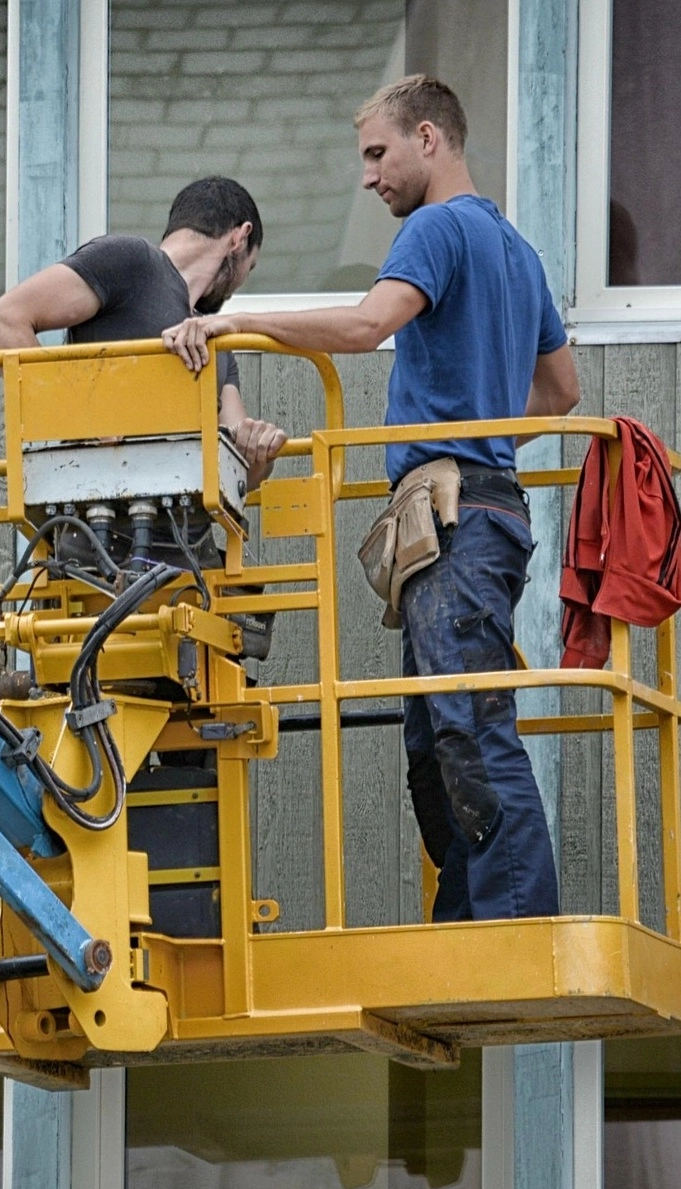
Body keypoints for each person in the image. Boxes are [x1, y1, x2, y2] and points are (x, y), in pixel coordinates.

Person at [163, 75, 581, 922]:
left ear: (429, 138)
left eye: (377, 152)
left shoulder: (436, 228)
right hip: (484, 508)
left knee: (461, 725)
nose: (368, 176)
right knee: (437, 736)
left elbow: (364, 327)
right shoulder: (515, 248)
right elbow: (562, 393)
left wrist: (234, 326)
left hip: (455, 517)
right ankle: (470, 920)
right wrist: (482, 441)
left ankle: (510, 923)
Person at [0, 176, 287, 492]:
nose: (236, 288)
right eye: (251, 266)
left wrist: (260, 454)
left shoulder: (219, 343)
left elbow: (240, 468)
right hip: (98, 528)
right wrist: (85, 419)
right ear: (239, 239)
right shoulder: (133, 261)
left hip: (185, 537)